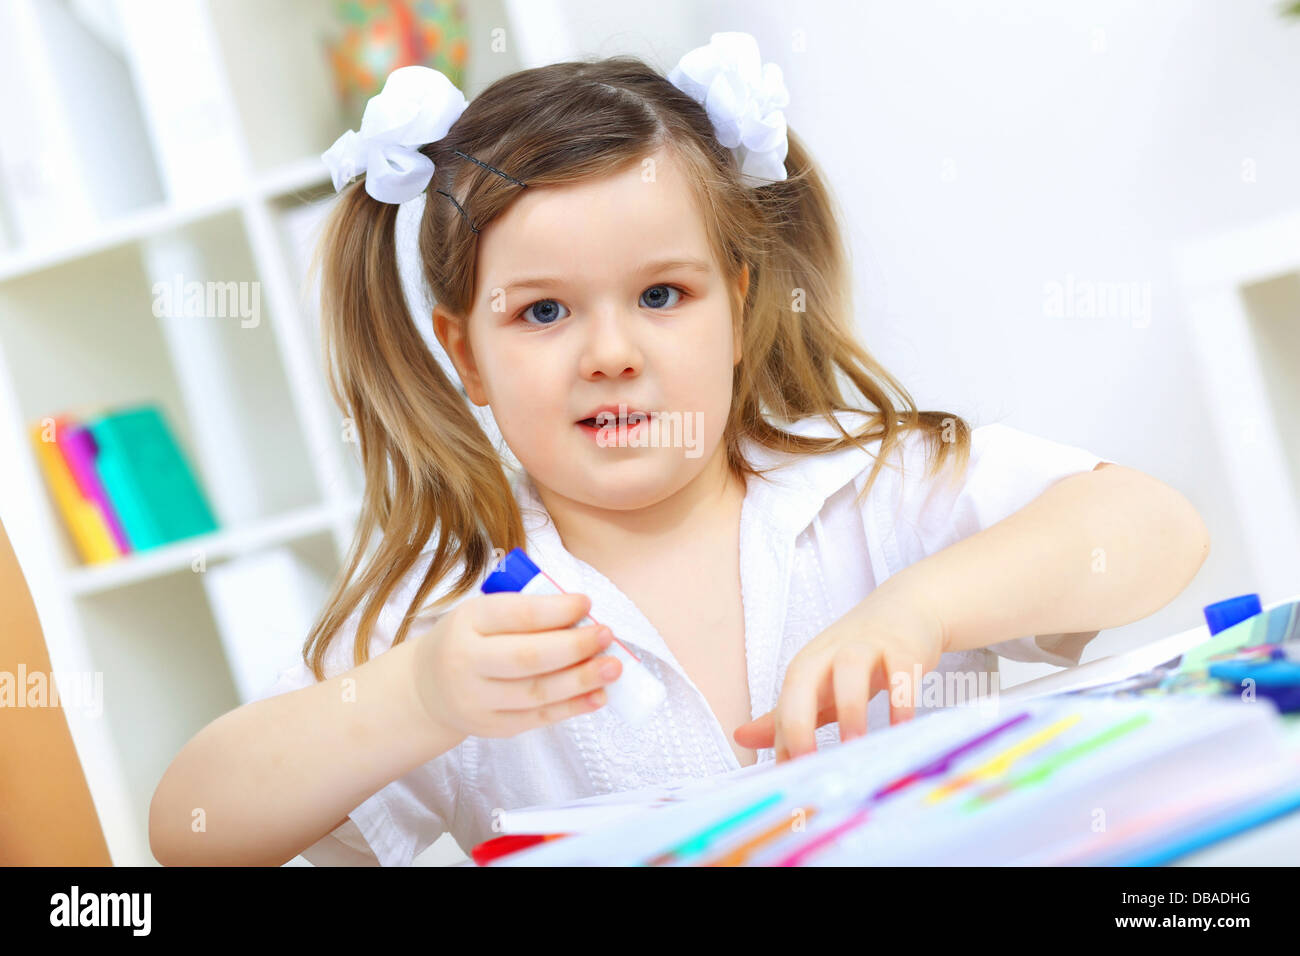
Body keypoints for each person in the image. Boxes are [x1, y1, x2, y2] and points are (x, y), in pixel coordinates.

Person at [149, 33, 1209, 866]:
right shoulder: (450, 617)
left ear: (737, 303)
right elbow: (190, 825)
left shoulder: (866, 487)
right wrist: (413, 698)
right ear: (462, 353)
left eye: (661, 294)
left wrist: (922, 608)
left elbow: (1155, 530)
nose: (610, 353)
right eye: (544, 313)